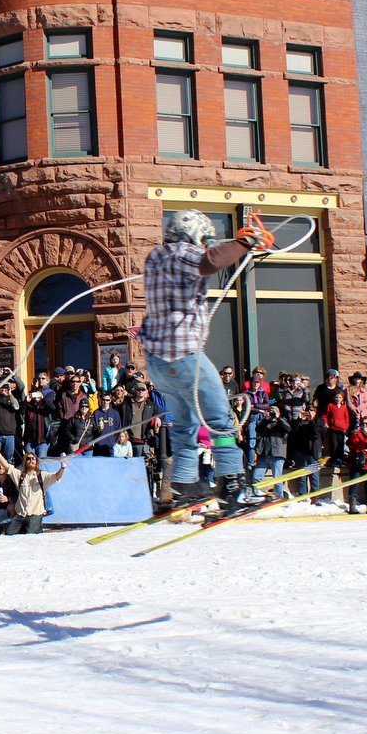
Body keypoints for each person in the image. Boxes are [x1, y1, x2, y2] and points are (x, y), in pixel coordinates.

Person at [136, 209, 265, 511]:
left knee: (184, 423)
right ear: (191, 234)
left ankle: (183, 483)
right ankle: (231, 484)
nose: (205, 244)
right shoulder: (184, 253)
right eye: (203, 238)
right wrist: (245, 243)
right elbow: (210, 261)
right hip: (183, 354)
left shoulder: (155, 256)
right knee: (221, 419)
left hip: (156, 360)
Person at [0, 446, 65, 534]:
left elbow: (57, 477)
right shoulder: (19, 475)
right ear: (25, 462)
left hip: (35, 515)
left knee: (31, 534)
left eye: (33, 458)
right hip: (20, 515)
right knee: (9, 534)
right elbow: (6, 465)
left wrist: (63, 468)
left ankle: (37, 527)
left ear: (36, 461)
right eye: (28, 459)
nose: (31, 460)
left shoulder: (42, 475)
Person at [92, 391, 121, 456]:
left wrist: (114, 440)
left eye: (107, 400)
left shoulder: (114, 413)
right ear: (101, 400)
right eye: (103, 400)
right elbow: (92, 428)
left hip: (110, 445)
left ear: (110, 400)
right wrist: (98, 429)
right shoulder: (96, 413)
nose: (105, 402)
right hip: (98, 445)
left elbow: (118, 428)